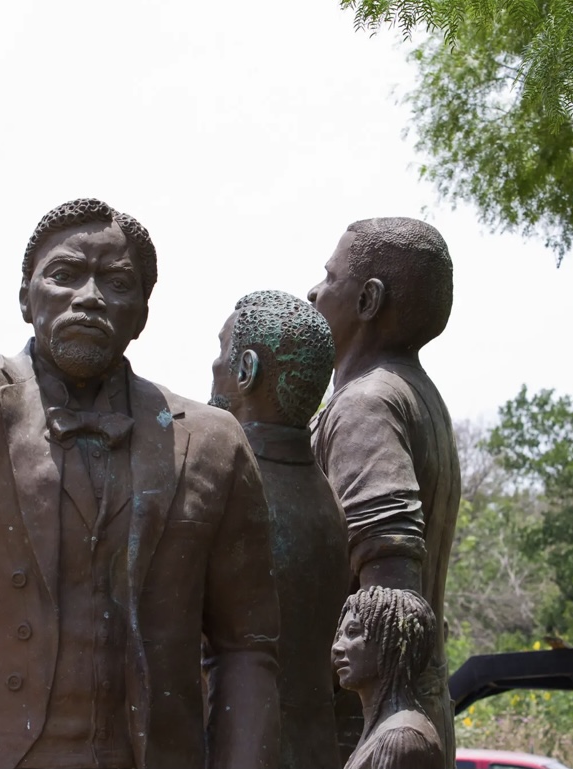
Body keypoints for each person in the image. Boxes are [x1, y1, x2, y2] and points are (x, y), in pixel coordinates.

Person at [0, 26, 280, 769]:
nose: (89, 297)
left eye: (117, 283)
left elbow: (247, 647)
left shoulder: (210, 443)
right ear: (26, 298)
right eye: (64, 275)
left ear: (142, 313)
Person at [308, 218, 460, 765]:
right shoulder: (417, 396)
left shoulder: (365, 405)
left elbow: (390, 587)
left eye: (330, 278)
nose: (314, 293)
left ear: (368, 301)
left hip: (367, 732)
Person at [209, 289, 351, 769]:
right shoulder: (325, 497)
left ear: (246, 371)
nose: (213, 364)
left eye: (221, 350)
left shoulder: (226, 489)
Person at [332, 586, 443, 769]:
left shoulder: (401, 739)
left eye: (353, 633)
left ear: (392, 642)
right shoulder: (381, 730)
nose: (337, 646)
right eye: (339, 635)